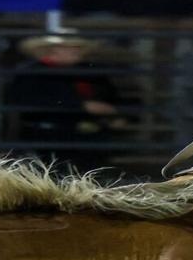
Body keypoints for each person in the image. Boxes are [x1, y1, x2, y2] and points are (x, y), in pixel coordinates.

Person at [7, 35, 125, 172]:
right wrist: (80, 106)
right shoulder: (32, 71)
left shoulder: (92, 71)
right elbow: (25, 101)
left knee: (91, 175)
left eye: (77, 47)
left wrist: (115, 116)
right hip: (46, 138)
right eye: (68, 47)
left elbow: (111, 98)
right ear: (52, 50)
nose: (76, 50)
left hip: (90, 138)